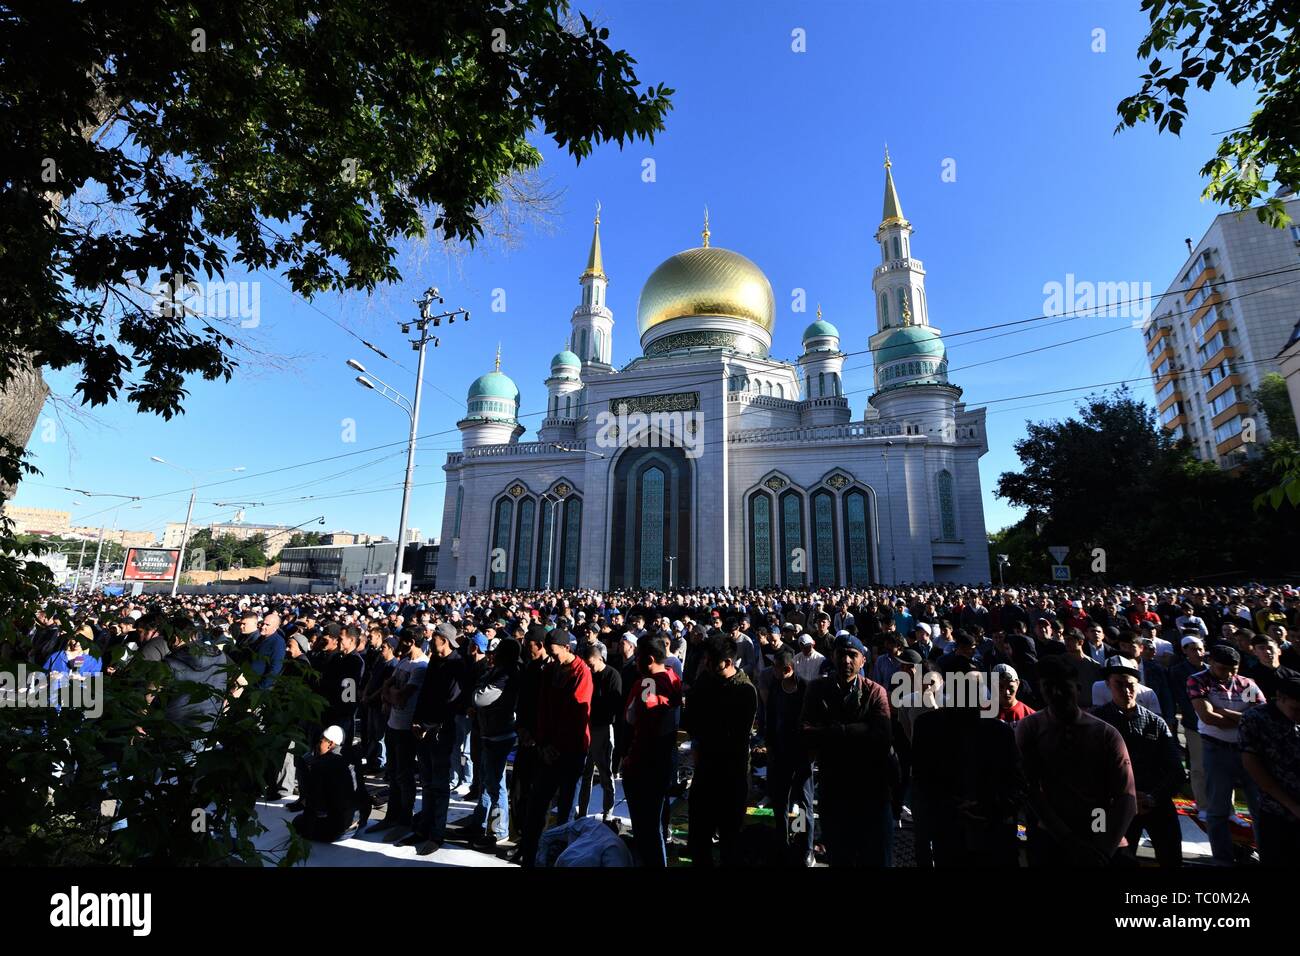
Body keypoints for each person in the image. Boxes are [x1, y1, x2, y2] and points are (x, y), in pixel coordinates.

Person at [1016, 654, 1137, 866]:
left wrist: (1103, 849)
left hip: (1099, 826)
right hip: (1052, 832)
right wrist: (1067, 839)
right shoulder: (1030, 728)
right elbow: (1030, 789)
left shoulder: (1105, 733)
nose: (1056, 694)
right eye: (1048, 687)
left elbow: (1126, 797)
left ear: (1078, 688)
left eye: (1063, 686)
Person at [911, 663, 1025, 867]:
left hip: (991, 831)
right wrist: (952, 807)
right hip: (948, 831)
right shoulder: (927, 727)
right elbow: (921, 778)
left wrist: (987, 807)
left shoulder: (999, 732)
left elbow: (1016, 784)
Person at [801, 633, 894, 867]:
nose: (846, 661)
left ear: (863, 660)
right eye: (841, 654)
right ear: (833, 657)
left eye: (853, 655)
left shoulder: (875, 692)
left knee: (873, 855)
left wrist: (835, 731)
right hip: (834, 787)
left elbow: (881, 736)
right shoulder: (817, 689)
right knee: (840, 854)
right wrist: (859, 731)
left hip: (870, 788)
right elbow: (805, 732)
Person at [1093, 661, 1185, 867]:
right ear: (1108, 685)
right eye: (1119, 684)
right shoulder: (1096, 722)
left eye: (1131, 685)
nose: (1126, 690)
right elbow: (1090, 770)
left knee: (1172, 858)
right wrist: (1124, 798)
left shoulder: (1156, 722)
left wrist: (1152, 797)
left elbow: (1177, 771)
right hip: (1115, 805)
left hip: (1155, 800)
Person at [519, 629, 593, 867]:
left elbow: (575, 715)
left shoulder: (582, 673)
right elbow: (543, 710)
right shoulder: (550, 670)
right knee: (536, 804)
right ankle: (530, 855)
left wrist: (555, 746)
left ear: (567, 649)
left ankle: (560, 858)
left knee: (565, 811)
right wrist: (542, 743)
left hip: (570, 750)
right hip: (547, 749)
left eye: (554, 653)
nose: (551, 658)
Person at [684, 633, 758, 867]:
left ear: (727, 662)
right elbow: (692, 719)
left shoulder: (744, 690)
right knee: (698, 838)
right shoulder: (705, 680)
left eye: (710, 659)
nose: (705, 663)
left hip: (731, 773)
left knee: (730, 840)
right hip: (705, 769)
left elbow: (733, 733)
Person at [1187, 644, 1265, 865]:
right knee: (1218, 810)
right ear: (1210, 662)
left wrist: (1222, 712)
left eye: (1234, 669)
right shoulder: (1198, 680)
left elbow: (1259, 717)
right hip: (1216, 749)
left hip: (1248, 750)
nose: (1229, 674)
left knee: (1259, 809)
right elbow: (1207, 717)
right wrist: (1241, 717)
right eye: (1223, 669)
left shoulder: (1247, 683)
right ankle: (1223, 859)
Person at [399, 622, 464, 855]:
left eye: (434, 635)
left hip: (440, 732)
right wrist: (417, 720)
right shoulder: (435, 659)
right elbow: (425, 693)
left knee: (439, 784)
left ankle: (437, 833)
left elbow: (451, 702)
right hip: (424, 728)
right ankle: (423, 828)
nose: (430, 637)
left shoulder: (457, 664)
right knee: (426, 782)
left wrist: (427, 725)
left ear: (443, 640)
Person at [621, 634, 682, 867]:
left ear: (647, 659)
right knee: (656, 822)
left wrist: (629, 759)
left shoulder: (647, 683)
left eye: (637, 657)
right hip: (664, 759)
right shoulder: (672, 675)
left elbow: (643, 720)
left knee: (646, 827)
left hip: (644, 762)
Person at [366, 631, 426, 841]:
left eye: (402, 641)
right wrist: (390, 694)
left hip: (406, 729)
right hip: (393, 724)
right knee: (393, 773)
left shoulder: (421, 666)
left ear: (411, 641)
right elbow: (387, 686)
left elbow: (401, 696)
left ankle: (404, 819)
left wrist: (390, 695)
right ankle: (391, 816)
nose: (398, 645)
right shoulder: (404, 663)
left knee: (405, 775)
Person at [465, 636, 521, 849]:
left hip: (500, 734)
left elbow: (480, 697)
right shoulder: (496, 672)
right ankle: (479, 823)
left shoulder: (507, 675)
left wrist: (476, 700)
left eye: (497, 652)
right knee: (487, 781)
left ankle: (499, 830)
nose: (492, 655)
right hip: (490, 732)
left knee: (497, 784)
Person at [1239, 676, 1300, 865]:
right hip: (1277, 811)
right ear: (1280, 697)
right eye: (1296, 709)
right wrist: (1293, 806)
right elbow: (1254, 768)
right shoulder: (1255, 719)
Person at [763, 645, 814, 865]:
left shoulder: (805, 689)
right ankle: (782, 841)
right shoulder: (775, 687)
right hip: (779, 753)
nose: (774, 671)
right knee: (780, 801)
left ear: (789, 668)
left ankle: (804, 845)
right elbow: (770, 717)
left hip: (801, 755)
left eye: (778, 667)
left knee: (803, 803)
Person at [292, 726, 367, 843]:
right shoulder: (353, 758)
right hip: (359, 822)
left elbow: (316, 805)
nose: (317, 745)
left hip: (338, 831)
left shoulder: (320, 765)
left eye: (320, 741)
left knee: (297, 822)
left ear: (330, 743)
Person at [577, 640, 622, 821]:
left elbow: (613, 706)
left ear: (599, 659)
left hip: (602, 728)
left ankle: (608, 813)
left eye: (591, 665)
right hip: (587, 727)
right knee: (585, 774)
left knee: (605, 773)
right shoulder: (588, 675)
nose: (589, 668)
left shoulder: (612, 676)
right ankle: (582, 812)